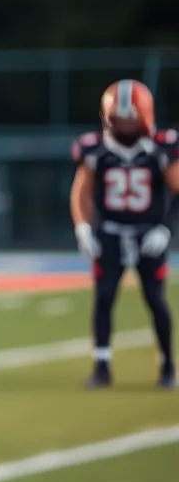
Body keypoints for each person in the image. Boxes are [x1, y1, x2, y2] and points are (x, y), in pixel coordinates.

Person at [70, 79, 177, 389]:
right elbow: (81, 193)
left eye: (131, 117)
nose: (126, 125)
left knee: (156, 300)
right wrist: (83, 228)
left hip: (148, 234)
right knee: (103, 298)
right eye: (120, 118)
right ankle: (102, 367)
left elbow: (177, 189)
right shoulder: (97, 149)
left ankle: (168, 365)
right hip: (111, 233)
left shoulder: (160, 147)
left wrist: (165, 228)